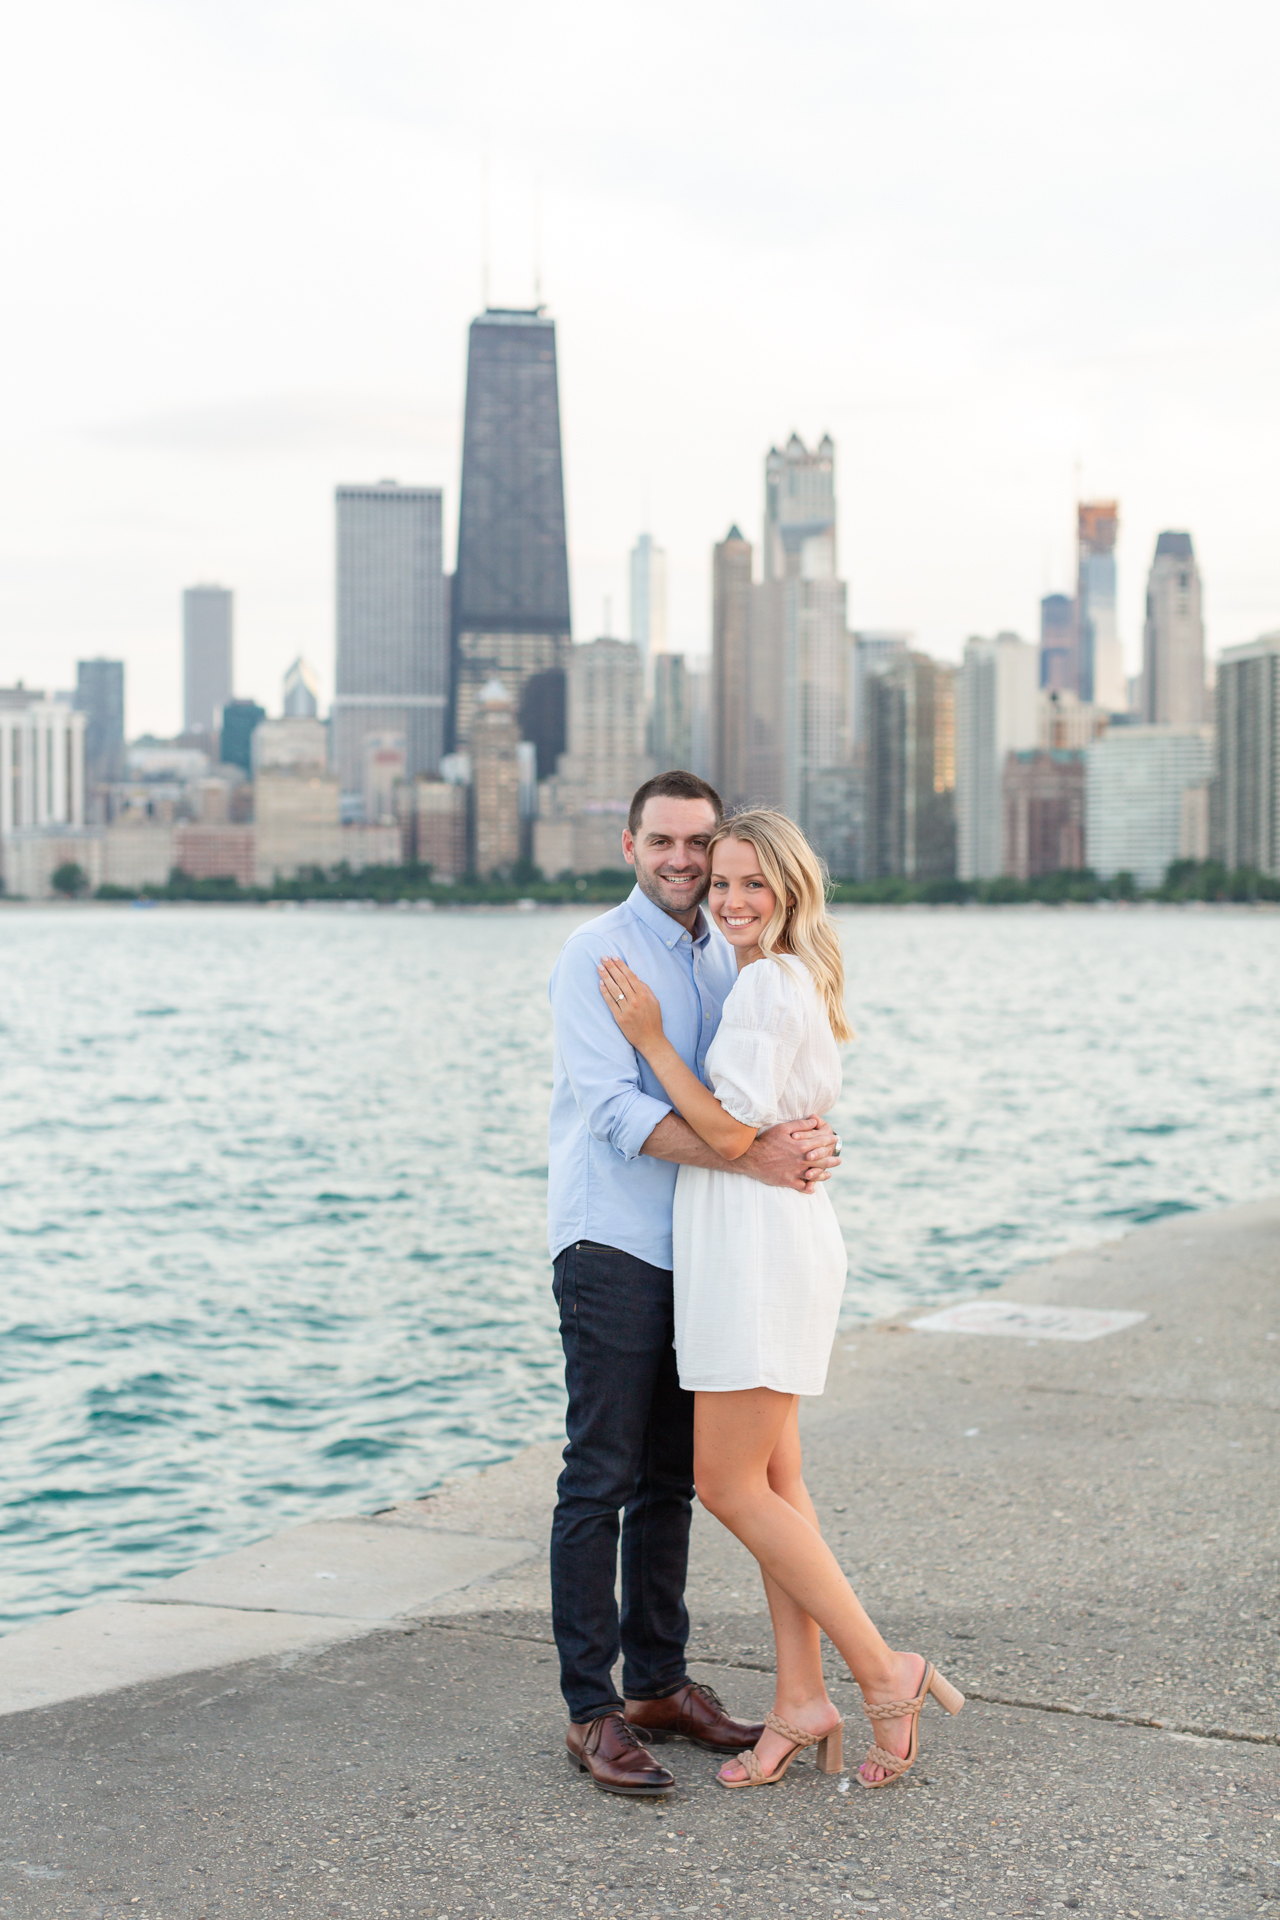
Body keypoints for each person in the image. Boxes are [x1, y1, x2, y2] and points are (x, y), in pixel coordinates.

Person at [598, 808, 964, 1791]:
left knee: (724, 1485)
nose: (729, 899)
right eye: (719, 884)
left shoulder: (765, 982)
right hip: (756, 1238)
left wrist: (645, 1038)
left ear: (792, 888)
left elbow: (725, 1133)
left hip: (754, 1248)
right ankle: (801, 1698)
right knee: (776, 1485)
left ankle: (884, 1669)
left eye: (750, 882)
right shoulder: (777, 976)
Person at [547, 771, 843, 1797]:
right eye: (664, 843)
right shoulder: (598, 954)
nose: (686, 864)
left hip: (706, 1256)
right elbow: (618, 1115)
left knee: (675, 1481)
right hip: (613, 1246)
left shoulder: (729, 953)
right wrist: (752, 1155)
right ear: (629, 845)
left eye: (700, 847)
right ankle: (592, 1711)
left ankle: (658, 1684)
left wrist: (803, 1141)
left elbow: (763, 1092)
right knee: (599, 1479)